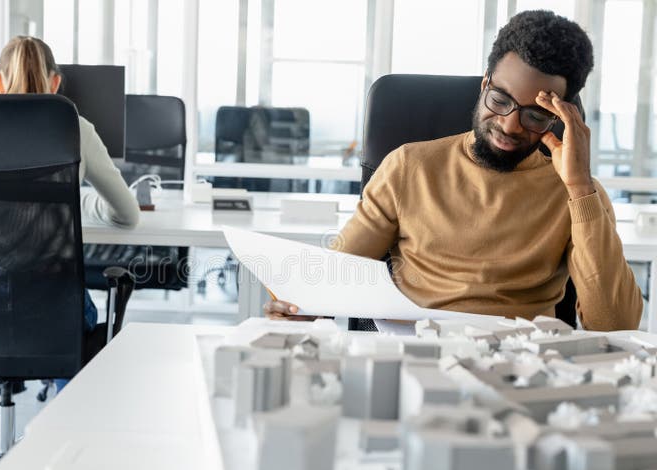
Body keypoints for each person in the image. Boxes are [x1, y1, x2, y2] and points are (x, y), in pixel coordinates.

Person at [265, 10, 643, 332]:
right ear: (484, 86)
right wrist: (298, 306)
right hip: (412, 356)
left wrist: (579, 187)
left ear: (560, 116)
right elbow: (337, 277)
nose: (510, 125)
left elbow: (616, 327)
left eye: (535, 114)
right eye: (500, 100)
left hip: (520, 369)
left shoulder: (575, 192)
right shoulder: (409, 166)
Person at [0, 36, 139, 452]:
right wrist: (74, 199)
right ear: (56, 83)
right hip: (55, 313)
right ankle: (66, 420)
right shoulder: (75, 128)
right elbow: (126, 215)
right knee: (64, 315)